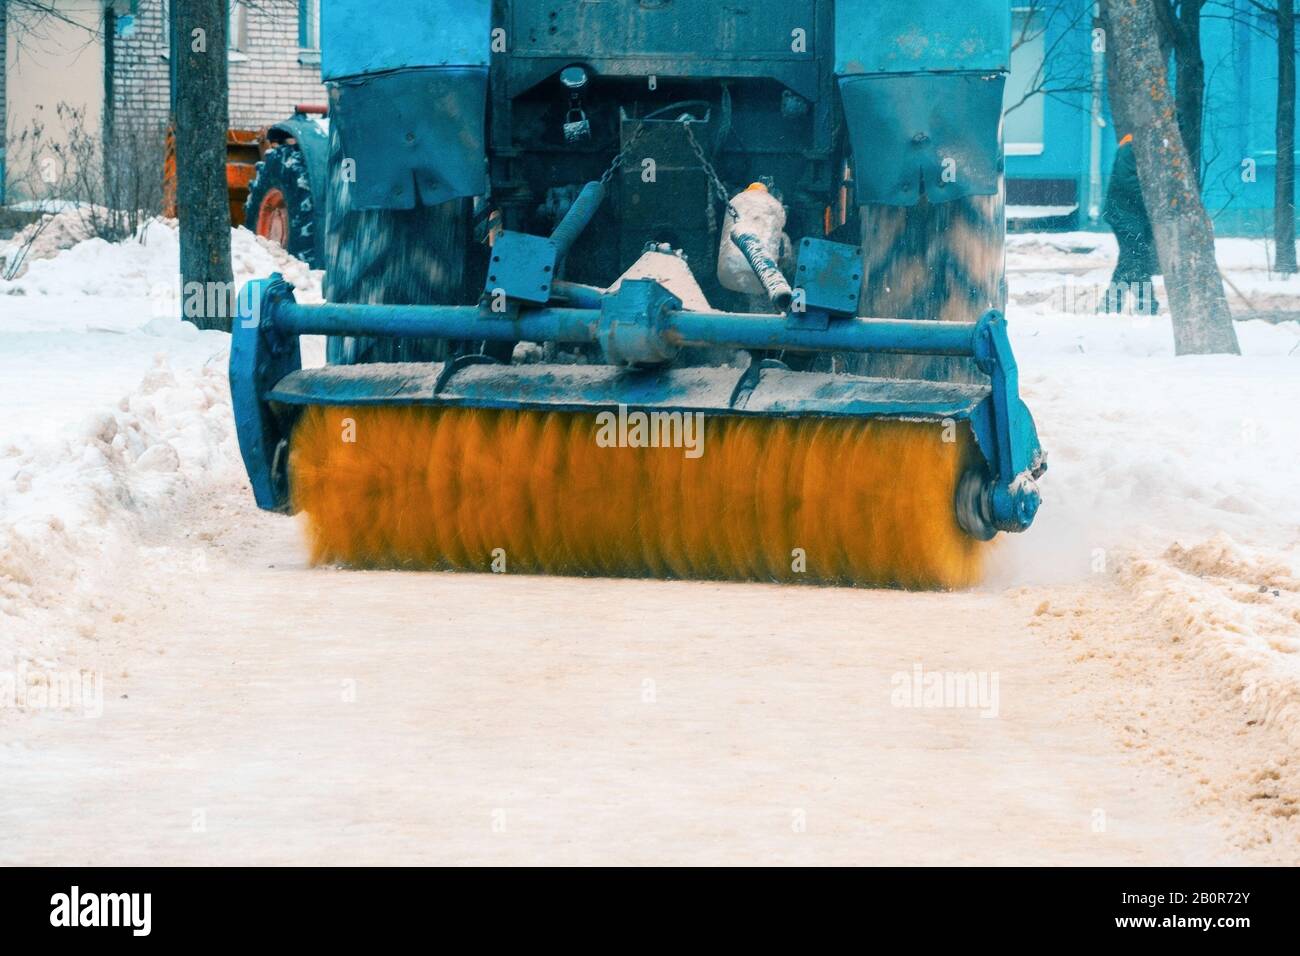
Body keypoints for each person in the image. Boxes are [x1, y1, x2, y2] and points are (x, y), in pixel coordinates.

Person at [1102, 133, 1160, 314]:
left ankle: (1113, 305)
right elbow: (1127, 181)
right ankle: (1143, 304)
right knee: (1135, 255)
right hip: (1123, 213)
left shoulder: (1146, 148)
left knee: (1132, 257)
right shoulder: (1130, 148)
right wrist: (1152, 199)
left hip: (1133, 214)